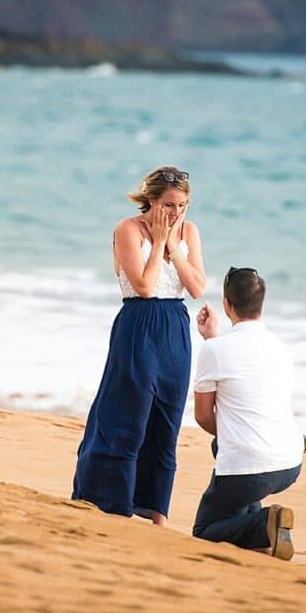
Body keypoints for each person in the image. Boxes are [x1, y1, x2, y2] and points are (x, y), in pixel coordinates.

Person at [72, 167, 207, 525]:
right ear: (152, 199)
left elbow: (196, 288)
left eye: (183, 205)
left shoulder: (189, 232)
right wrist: (160, 242)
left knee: (167, 417)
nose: (176, 213)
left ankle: (157, 510)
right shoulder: (127, 229)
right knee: (127, 415)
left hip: (174, 327)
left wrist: (175, 246)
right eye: (169, 204)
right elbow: (145, 286)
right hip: (138, 324)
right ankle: (111, 501)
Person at [190, 267, 304, 559]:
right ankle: (261, 519)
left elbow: (203, 416)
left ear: (227, 304)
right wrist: (212, 339)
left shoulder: (215, 351)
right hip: (289, 462)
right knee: (227, 446)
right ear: (261, 304)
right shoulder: (280, 348)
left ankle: (264, 522)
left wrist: (232, 436)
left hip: (250, 469)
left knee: (205, 531)